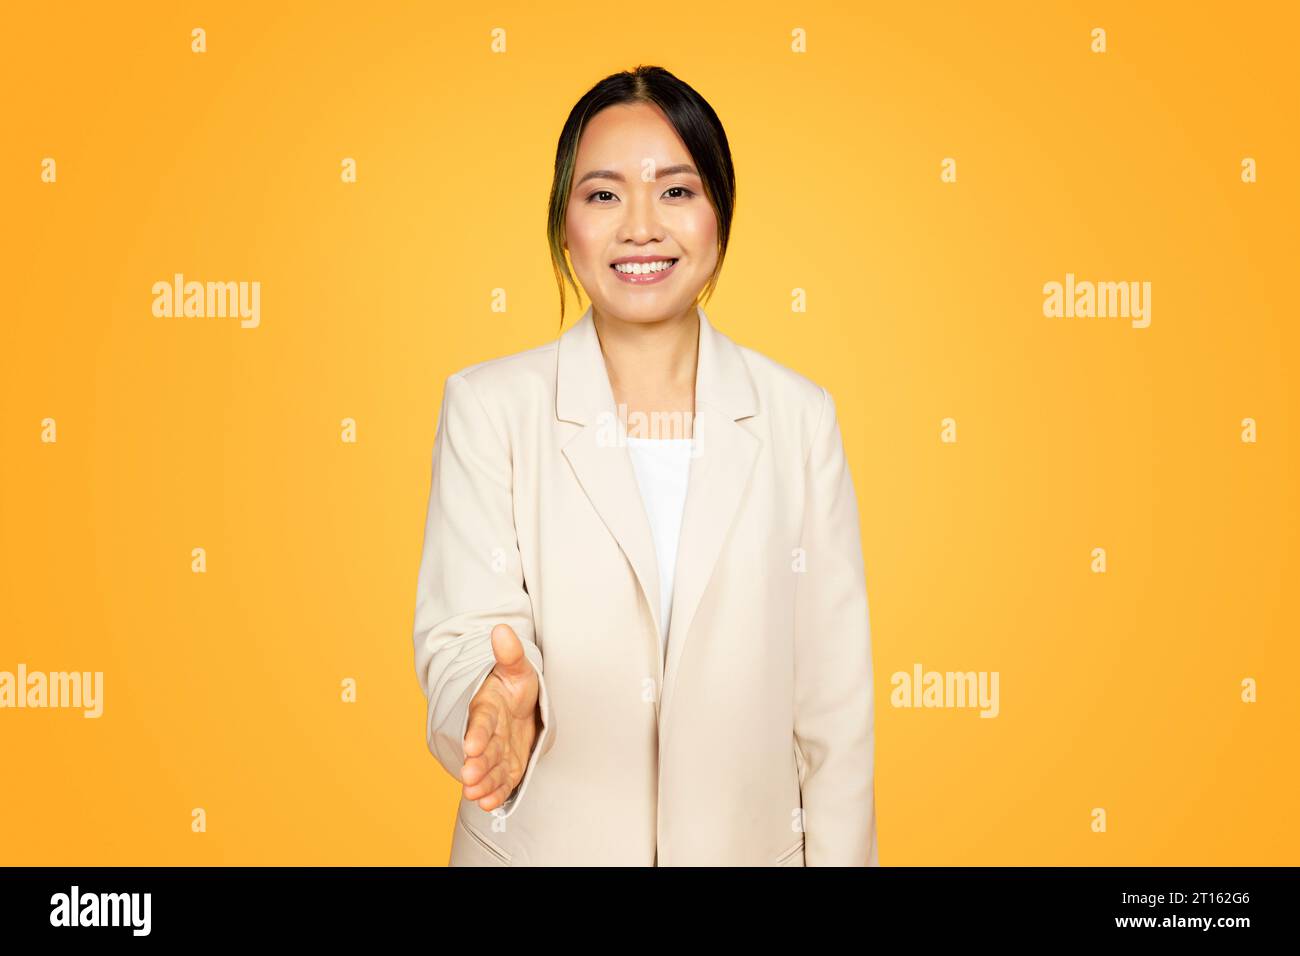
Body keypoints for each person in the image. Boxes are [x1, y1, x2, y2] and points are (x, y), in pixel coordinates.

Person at [412, 65, 877, 866]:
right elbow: (462, 634)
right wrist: (491, 709)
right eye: (602, 195)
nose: (640, 227)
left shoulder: (800, 419)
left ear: (720, 219)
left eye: (675, 191)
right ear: (565, 225)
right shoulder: (489, 408)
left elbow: (833, 705)